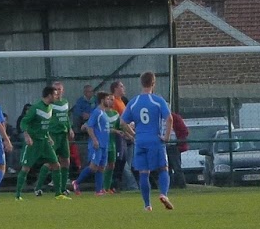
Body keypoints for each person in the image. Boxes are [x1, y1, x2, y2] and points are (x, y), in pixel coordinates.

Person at [122, 71, 174, 211]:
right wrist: (167, 136)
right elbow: (169, 118)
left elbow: (122, 121)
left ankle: (147, 205)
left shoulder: (134, 102)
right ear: (153, 83)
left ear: (141, 83)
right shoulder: (157, 100)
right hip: (155, 140)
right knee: (163, 169)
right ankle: (163, 194)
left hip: (140, 142)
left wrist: (134, 134)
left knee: (143, 173)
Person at [17, 85, 67, 199]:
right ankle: (18, 195)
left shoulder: (50, 108)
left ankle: (58, 194)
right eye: (54, 94)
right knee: (26, 167)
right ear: (49, 95)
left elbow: (43, 125)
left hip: (44, 141)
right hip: (33, 142)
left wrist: (48, 136)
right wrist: (27, 136)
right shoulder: (36, 107)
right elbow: (24, 122)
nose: (56, 96)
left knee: (56, 165)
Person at [73, 92, 114, 195]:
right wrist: (95, 140)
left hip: (105, 144)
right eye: (108, 99)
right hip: (97, 144)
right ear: (102, 100)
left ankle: (98, 190)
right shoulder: (97, 112)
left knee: (101, 167)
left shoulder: (104, 113)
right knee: (93, 167)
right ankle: (76, 182)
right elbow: (89, 127)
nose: (109, 101)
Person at [167, 109, 189, 190]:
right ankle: (169, 186)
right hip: (162, 145)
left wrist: (178, 142)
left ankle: (181, 185)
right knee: (165, 167)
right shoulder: (157, 117)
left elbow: (184, 131)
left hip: (173, 145)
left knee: (176, 167)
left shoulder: (174, 117)